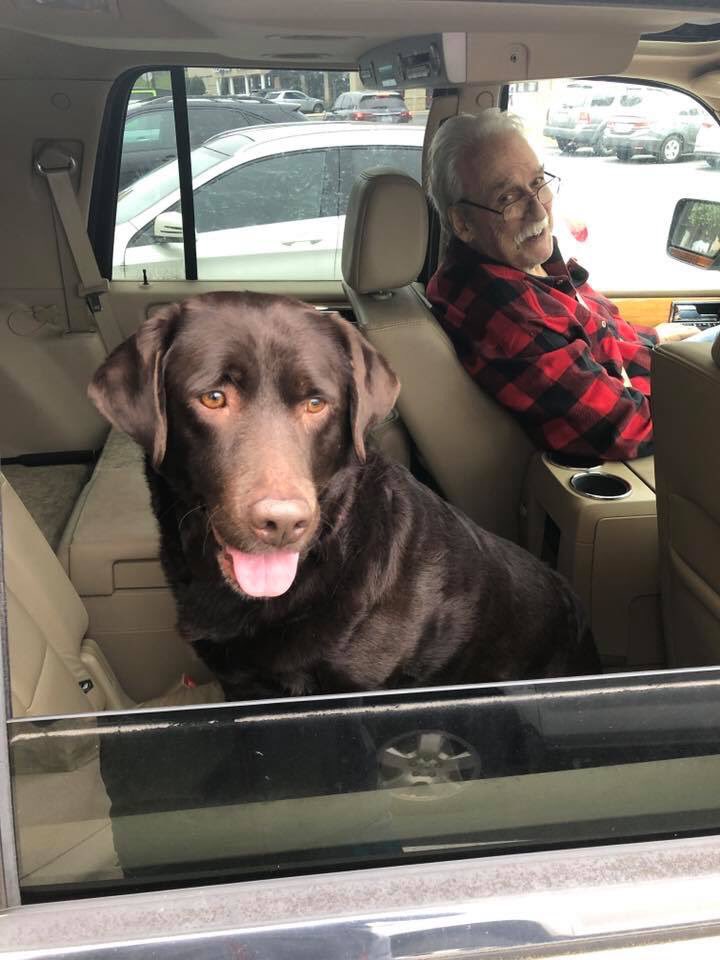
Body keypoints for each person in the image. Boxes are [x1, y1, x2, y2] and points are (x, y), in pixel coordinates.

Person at [425, 111, 702, 461]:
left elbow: (594, 336)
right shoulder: (507, 315)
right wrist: (703, 394)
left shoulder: (517, 267)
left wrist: (656, 340)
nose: (539, 211)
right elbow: (625, 428)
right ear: (463, 223)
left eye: (538, 182)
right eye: (507, 198)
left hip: (651, 380)